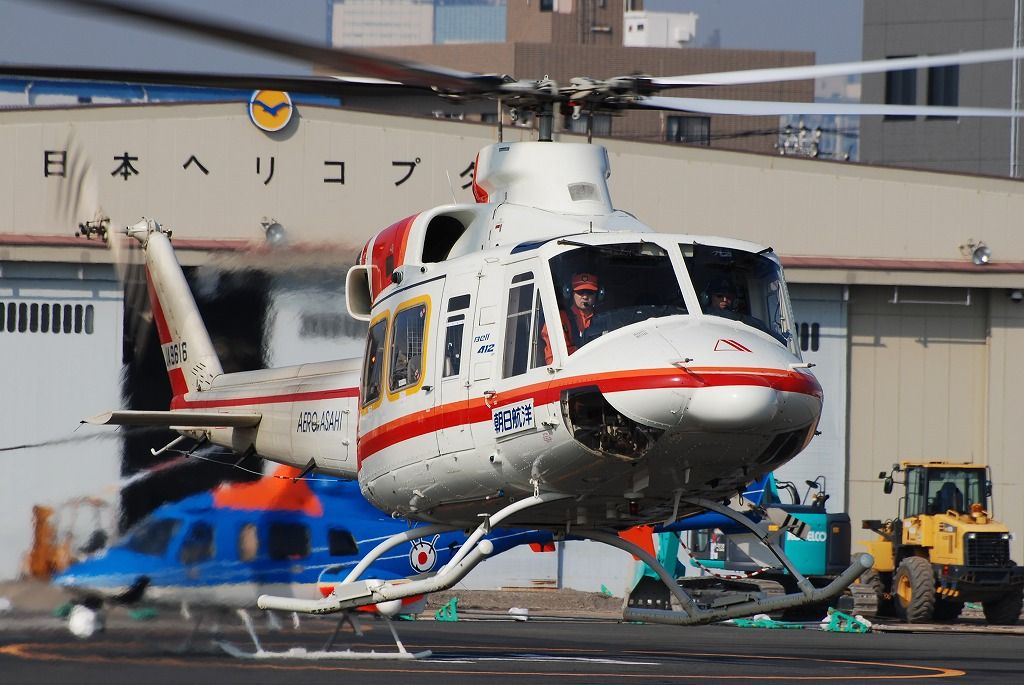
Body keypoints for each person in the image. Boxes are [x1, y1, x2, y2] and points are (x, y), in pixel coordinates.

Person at [542, 272, 602, 364]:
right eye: (580, 292)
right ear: (570, 293)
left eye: (590, 292)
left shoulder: (603, 318)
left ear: (598, 294)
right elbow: (554, 358)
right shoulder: (559, 319)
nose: (585, 297)